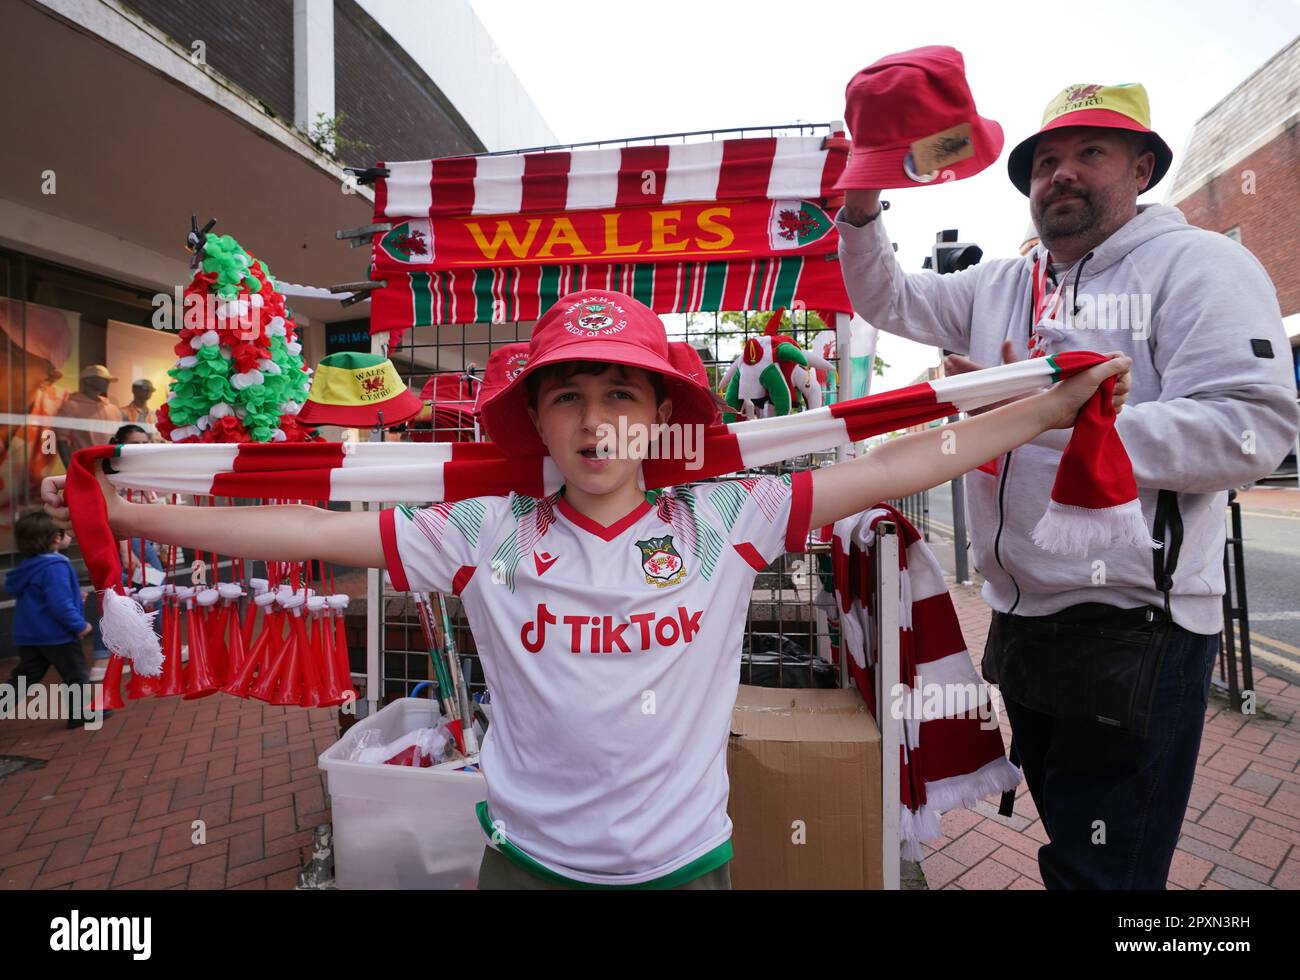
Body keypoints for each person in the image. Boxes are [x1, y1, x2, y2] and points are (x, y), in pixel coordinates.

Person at [43, 289, 1129, 888]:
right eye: (571, 395)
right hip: (525, 869)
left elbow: (902, 461)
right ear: (538, 420)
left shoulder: (725, 516)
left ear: (660, 412)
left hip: (688, 866)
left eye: (624, 391)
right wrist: (131, 513)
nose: (598, 418)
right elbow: (311, 523)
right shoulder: (479, 527)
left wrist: (1046, 407)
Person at [835, 82, 1300, 889]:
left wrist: (1050, 415)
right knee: (1068, 846)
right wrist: (865, 193)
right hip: (1022, 624)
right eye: (1047, 161)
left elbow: (1251, 430)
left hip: (1136, 631)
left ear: (1143, 167)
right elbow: (887, 296)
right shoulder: (1002, 285)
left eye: (1092, 153)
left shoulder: (1200, 264)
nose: (1062, 174)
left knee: (1103, 876)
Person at [3, 512, 98, 729]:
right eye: (64, 532)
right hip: (57, 635)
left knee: (24, 678)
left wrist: (76, 593)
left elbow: (42, 596)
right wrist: (80, 625)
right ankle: (81, 714)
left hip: (29, 635)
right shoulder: (55, 566)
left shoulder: (30, 566)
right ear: (55, 537)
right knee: (75, 675)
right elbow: (59, 603)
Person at [55, 365, 121, 466]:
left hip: (111, 467)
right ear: (88, 381)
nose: (107, 383)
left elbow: (119, 439)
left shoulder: (113, 409)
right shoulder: (71, 406)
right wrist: (70, 468)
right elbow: (61, 439)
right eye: (103, 379)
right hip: (85, 466)